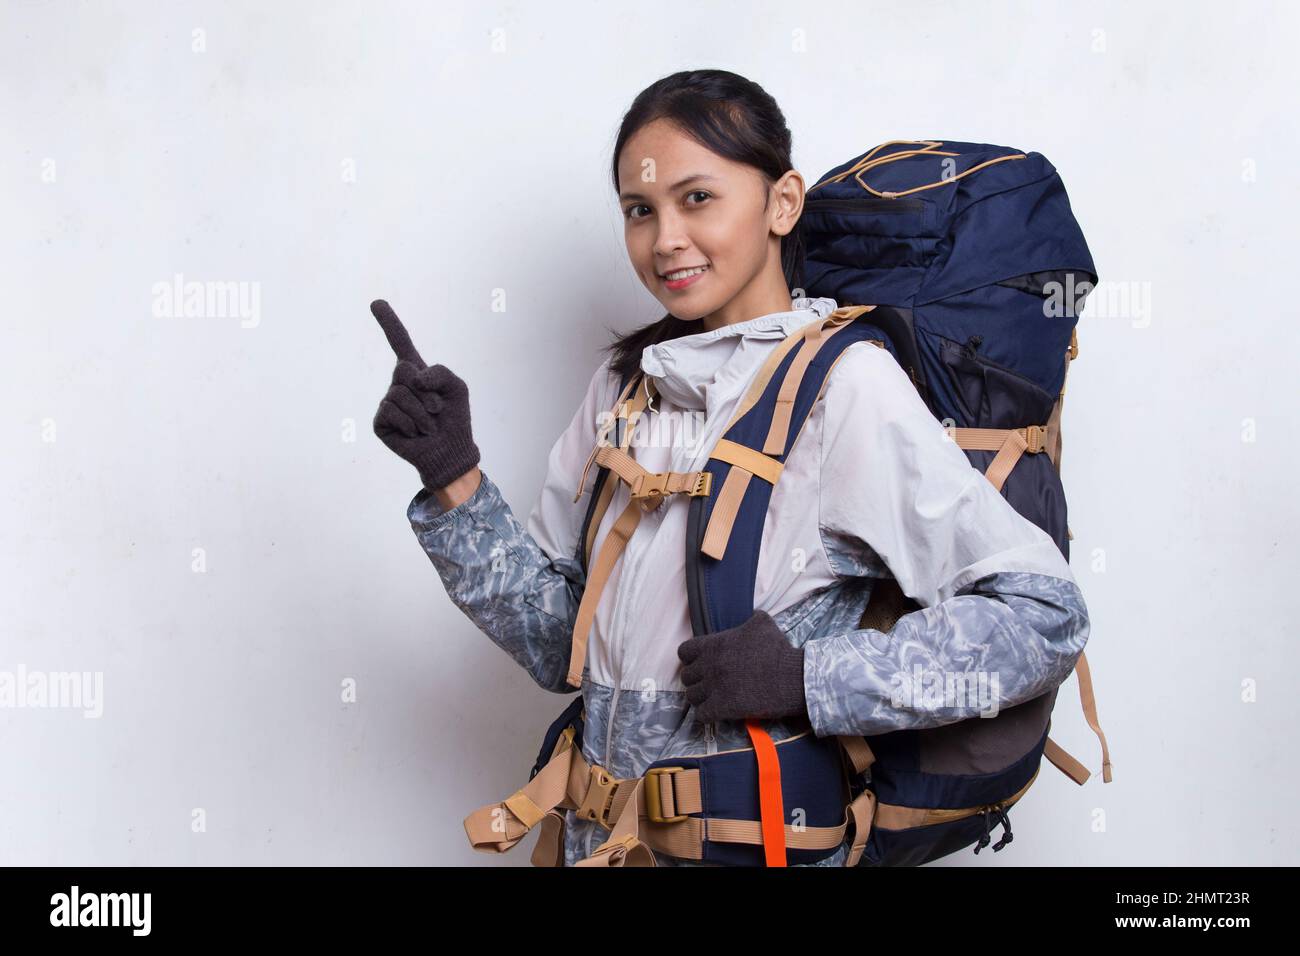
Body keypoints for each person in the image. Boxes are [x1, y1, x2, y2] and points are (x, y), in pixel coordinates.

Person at [371, 69, 1090, 867]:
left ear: (783, 202)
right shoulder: (626, 387)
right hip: (594, 845)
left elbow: (1042, 618)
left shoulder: (843, 388)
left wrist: (809, 676)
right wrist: (455, 480)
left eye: (697, 198)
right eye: (639, 211)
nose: (665, 238)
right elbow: (555, 649)